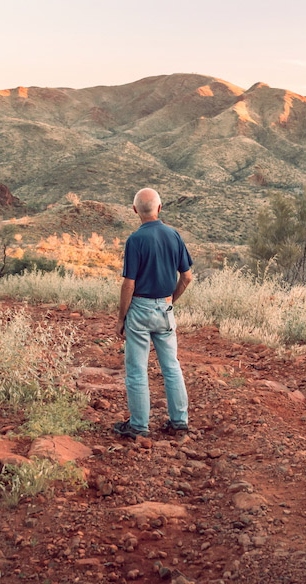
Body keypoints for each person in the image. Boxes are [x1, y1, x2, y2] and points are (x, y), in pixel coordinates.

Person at [114, 187, 193, 439]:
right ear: (159, 208)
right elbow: (187, 277)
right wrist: (170, 301)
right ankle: (179, 422)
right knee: (171, 367)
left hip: (139, 310)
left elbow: (129, 284)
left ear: (135, 210)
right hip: (165, 309)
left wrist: (121, 318)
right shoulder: (174, 235)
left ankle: (139, 426)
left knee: (137, 370)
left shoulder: (135, 240)